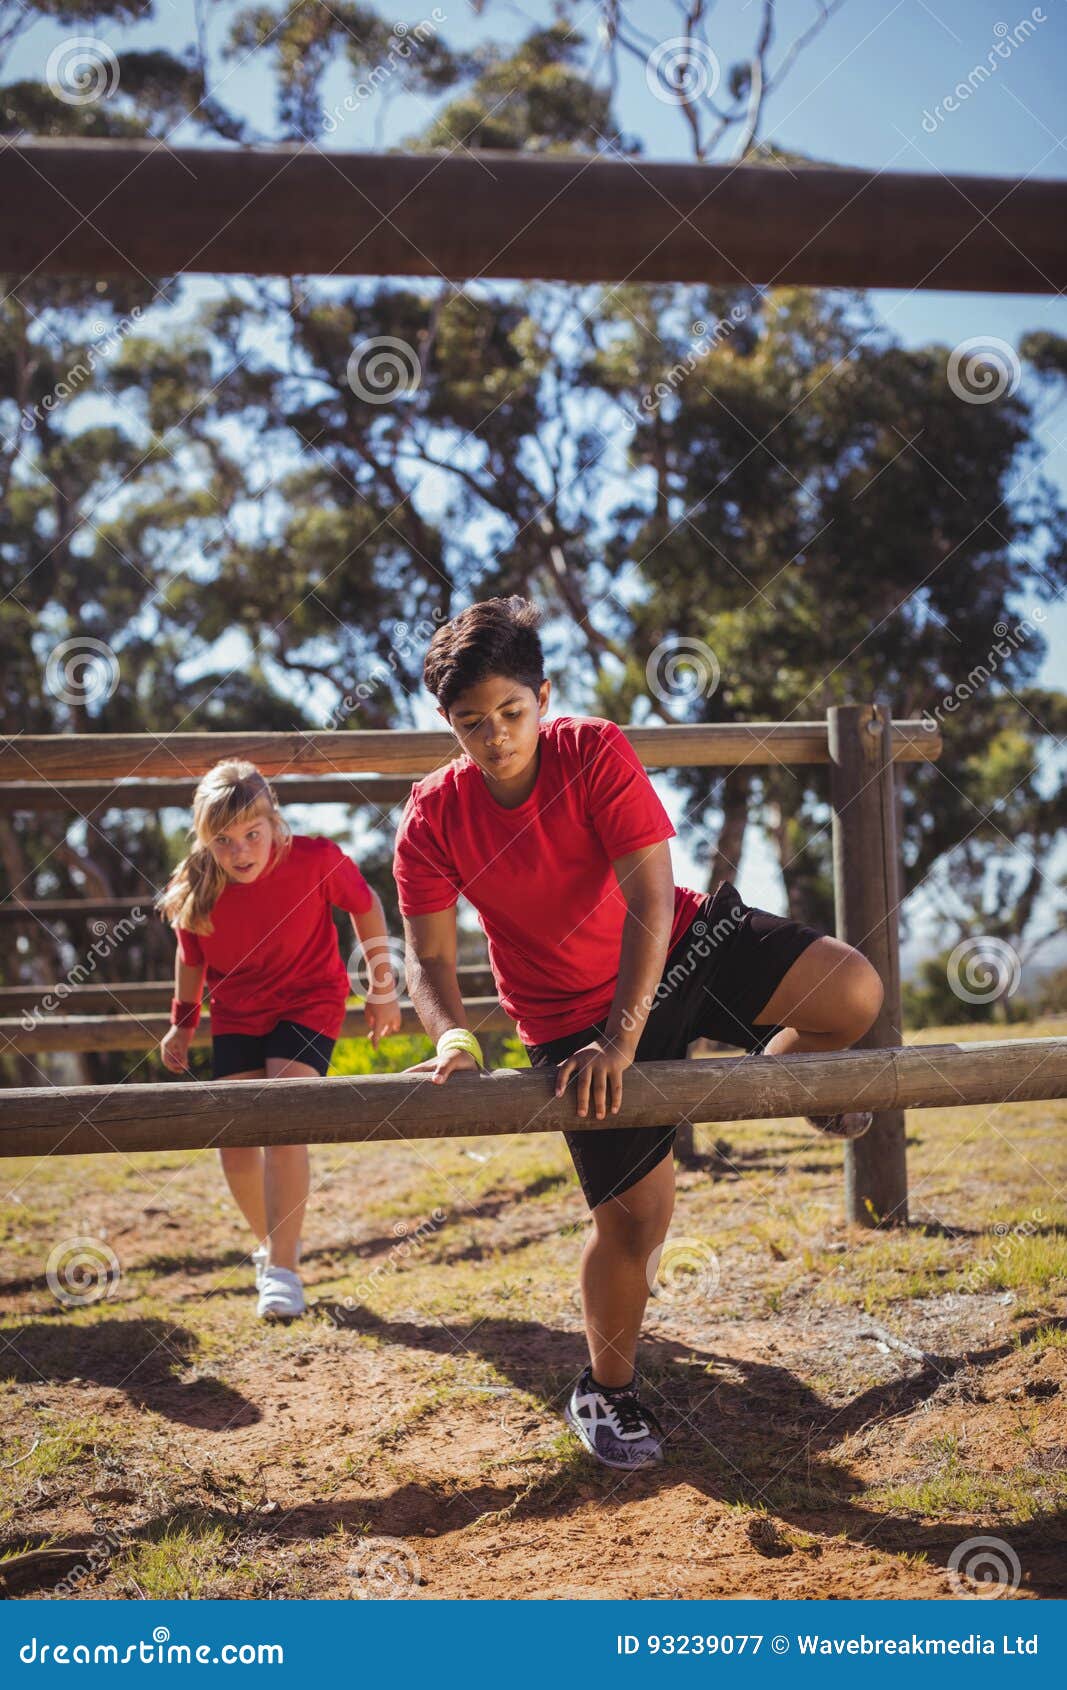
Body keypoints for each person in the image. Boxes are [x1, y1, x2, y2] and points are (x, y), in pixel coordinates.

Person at [392, 597, 884, 1470]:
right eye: (473, 724)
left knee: (852, 994)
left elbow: (651, 900)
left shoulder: (593, 750)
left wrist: (628, 1036)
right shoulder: (431, 817)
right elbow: (428, 962)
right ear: (447, 724)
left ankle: (789, 1082)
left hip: (678, 949)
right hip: (562, 1019)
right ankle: (604, 1390)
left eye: (512, 712)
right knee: (636, 1220)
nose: (497, 736)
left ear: (543, 697)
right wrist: (453, 1039)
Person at [156, 759, 402, 1319]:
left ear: (274, 823)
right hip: (238, 1011)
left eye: (251, 835)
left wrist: (381, 988)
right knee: (237, 1142)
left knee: (284, 1109)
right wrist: (183, 1020)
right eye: (223, 840)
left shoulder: (316, 860)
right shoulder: (197, 882)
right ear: (204, 839)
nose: (240, 852)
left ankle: (284, 1273)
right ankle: (272, 1248)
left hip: (308, 1000)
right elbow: (190, 953)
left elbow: (366, 905)